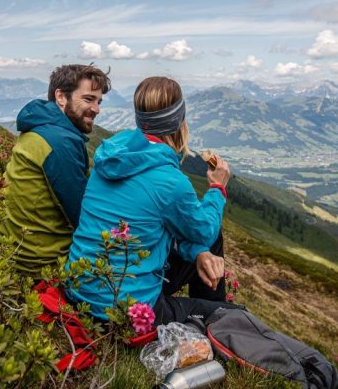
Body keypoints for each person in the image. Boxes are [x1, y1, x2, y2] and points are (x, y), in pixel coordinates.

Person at [66, 76, 237, 325]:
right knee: (227, 312)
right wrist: (217, 188)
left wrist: (198, 252)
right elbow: (204, 232)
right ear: (179, 121)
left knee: (203, 249)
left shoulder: (110, 157)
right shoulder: (170, 182)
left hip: (79, 295)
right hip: (125, 310)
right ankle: (220, 324)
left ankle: (215, 313)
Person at [2, 64, 111, 277]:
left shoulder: (39, 128)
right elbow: (82, 215)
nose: (96, 109)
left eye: (99, 102)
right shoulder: (59, 142)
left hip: (14, 254)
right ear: (60, 97)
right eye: (88, 99)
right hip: (39, 267)